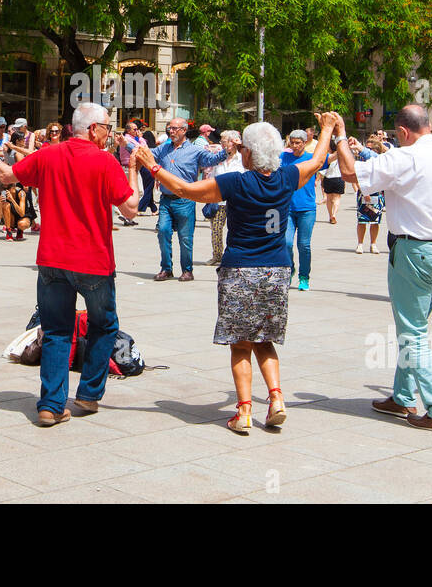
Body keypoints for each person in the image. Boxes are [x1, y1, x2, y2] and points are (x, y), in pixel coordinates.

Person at [135, 114, 338, 433]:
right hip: (276, 269)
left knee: (241, 344)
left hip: (240, 270)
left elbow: (187, 190)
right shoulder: (287, 177)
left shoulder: (236, 182)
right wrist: (327, 129)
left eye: (244, 147)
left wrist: (153, 165)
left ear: (251, 153)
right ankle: (276, 399)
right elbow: (317, 160)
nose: (240, 151)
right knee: (265, 340)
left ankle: (244, 411)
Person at [335, 105, 432, 435]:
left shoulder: (403, 158)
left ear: (404, 133)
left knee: (413, 332)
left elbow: (351, 175)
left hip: (415, 250)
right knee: (416, 325)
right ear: (430, 126)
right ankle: (403, 396)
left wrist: (338, 136)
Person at [0, 102, 139, 426]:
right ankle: (88, 394)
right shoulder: (106, 161)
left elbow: (6, 176)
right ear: (93, 129)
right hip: (94, 262)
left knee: (56, 331)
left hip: (53, 260)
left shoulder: (48, 154)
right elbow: (131, 209)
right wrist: (135, 169)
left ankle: (51, 405)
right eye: (107, 127)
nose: (110, 134)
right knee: (104, 326)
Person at [152, 117, 226, 281]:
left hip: (185, 200)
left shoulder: (195, 150)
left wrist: (227, 149)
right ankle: (166, 269)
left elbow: (212, 159)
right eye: (169, 128)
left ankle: (187, 270)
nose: (170, 131)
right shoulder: (163, 149)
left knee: (185, 238)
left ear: (184, 130)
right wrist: (127, 145)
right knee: (163, 231)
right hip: (166, 200)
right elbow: (147, 154)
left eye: (174, 128)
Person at [279, 130, 320, 291]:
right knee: (286, 243)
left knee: (304, 245)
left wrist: (341, 144)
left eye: (298, 143)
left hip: (307, 209)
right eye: (292, 142)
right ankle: (289, 269)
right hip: (287, 208)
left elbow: (328, 159)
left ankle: (304, 277)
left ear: (304, 143)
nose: (294, 146)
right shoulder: (283, 157)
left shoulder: (310, 159)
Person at [206, 130, 245, 267]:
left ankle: (236, 255)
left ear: (233, 143)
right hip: (219, 200)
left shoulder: (242, 159)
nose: (222, 144)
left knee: (237, 229)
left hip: (237, 201)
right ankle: (217, 256)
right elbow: (212, 178)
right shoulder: (218, 159)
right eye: (221, 141)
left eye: (225, 141)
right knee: (216, 229)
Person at [351, 135, 386, 255]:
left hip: (377, 193)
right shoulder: (361, 162)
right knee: (362, 220)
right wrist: (364, 191)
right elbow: (356, 178)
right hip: (363, 193)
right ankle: (360, 244)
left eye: (369, 148)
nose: (365, 150)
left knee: (375, 220)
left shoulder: (380, 161)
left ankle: (373, 244)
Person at [321, 134, 347, 224]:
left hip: (328, 178)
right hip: (339, 178)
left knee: (329, 198)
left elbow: (322, 170)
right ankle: (334, 215)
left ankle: (330, 214)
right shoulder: (341, 156)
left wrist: (319, 179)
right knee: (337, 198)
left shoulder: (327, 156)